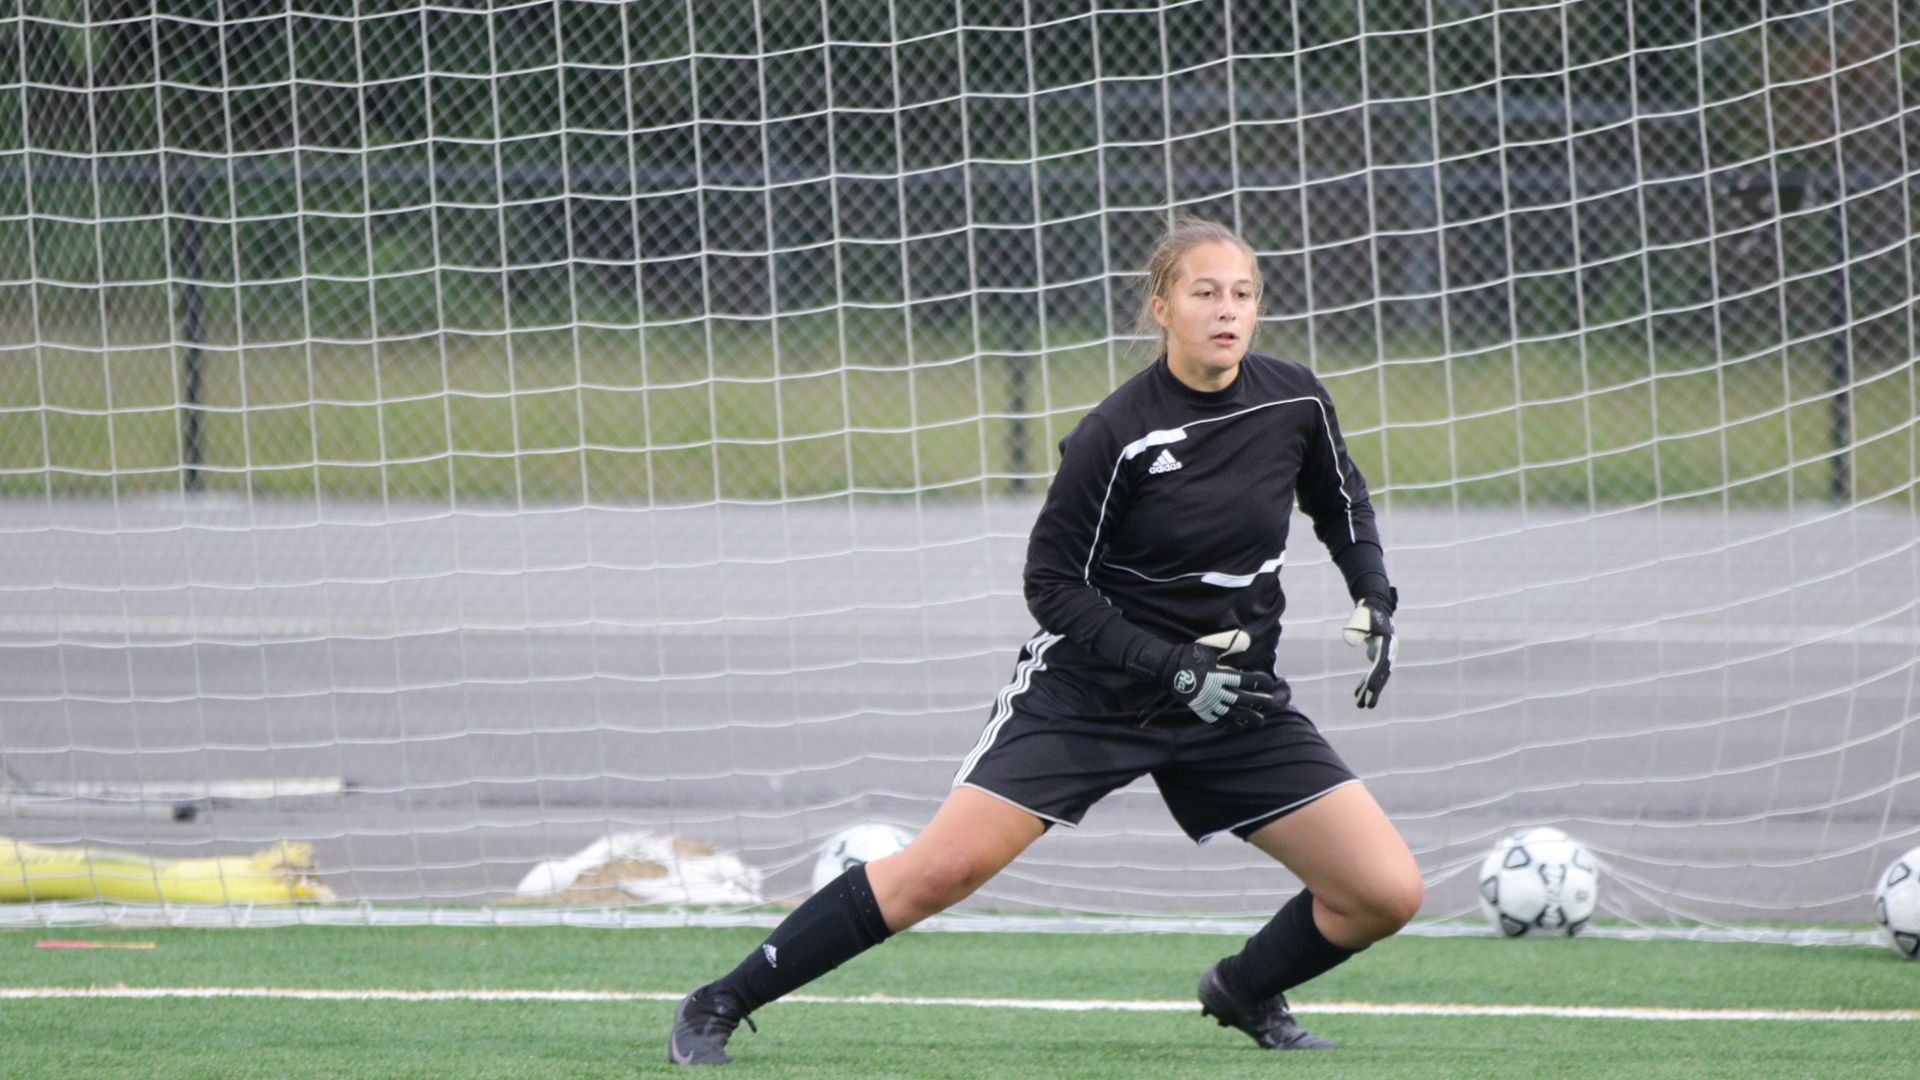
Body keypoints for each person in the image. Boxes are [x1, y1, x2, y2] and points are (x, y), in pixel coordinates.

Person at [667, 216, 1423, 1065]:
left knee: (1383, 893)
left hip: (1229, 698)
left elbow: (1342, 501)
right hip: (1093, 691)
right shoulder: (1118, 432)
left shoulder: (1294, 399)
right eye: (1204, 292)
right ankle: (720, 999)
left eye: (1242, 294)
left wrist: (1374, 592)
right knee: (936, 875)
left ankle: (1245, 987)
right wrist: (1164, 665)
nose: (1227, 310)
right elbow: (1052, 585)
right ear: (1161, 308)